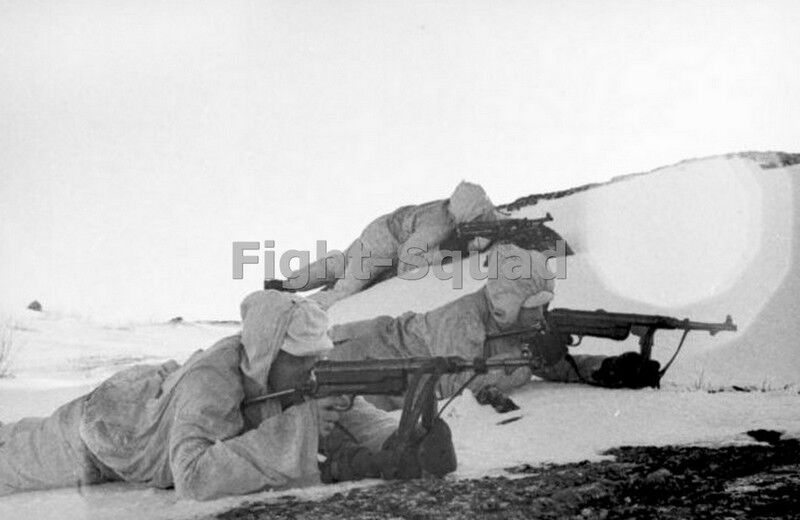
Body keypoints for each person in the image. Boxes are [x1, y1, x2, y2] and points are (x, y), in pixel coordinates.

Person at [0, 291, 456, 499]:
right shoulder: (215, 379)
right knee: (13, 456)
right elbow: (194, 476)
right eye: (302, 357)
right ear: (268, 352)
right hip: (111, 429)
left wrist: (406, 437)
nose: (316, 369)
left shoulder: (303, 375)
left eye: (319, 356)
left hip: (156, 391)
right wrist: (302, 425)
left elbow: (356, 417)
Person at [328, 244, 660, 411]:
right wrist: (526, 359)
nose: (542, 312)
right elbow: (458, 387)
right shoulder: (463, 320)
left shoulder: (516, 325)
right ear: (509, 303)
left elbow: (557, 367)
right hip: (364, 353)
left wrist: (607, 369)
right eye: (535, 306)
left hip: (385, 377)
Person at [266, 181, 507, 309]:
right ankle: (293, 306)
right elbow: (407, 263)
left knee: (339, 264)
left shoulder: (446, 207)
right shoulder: (439, 225)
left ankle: (285, 284)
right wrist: (451, 252)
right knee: (345, 291)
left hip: (379, 228)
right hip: (382, 247)